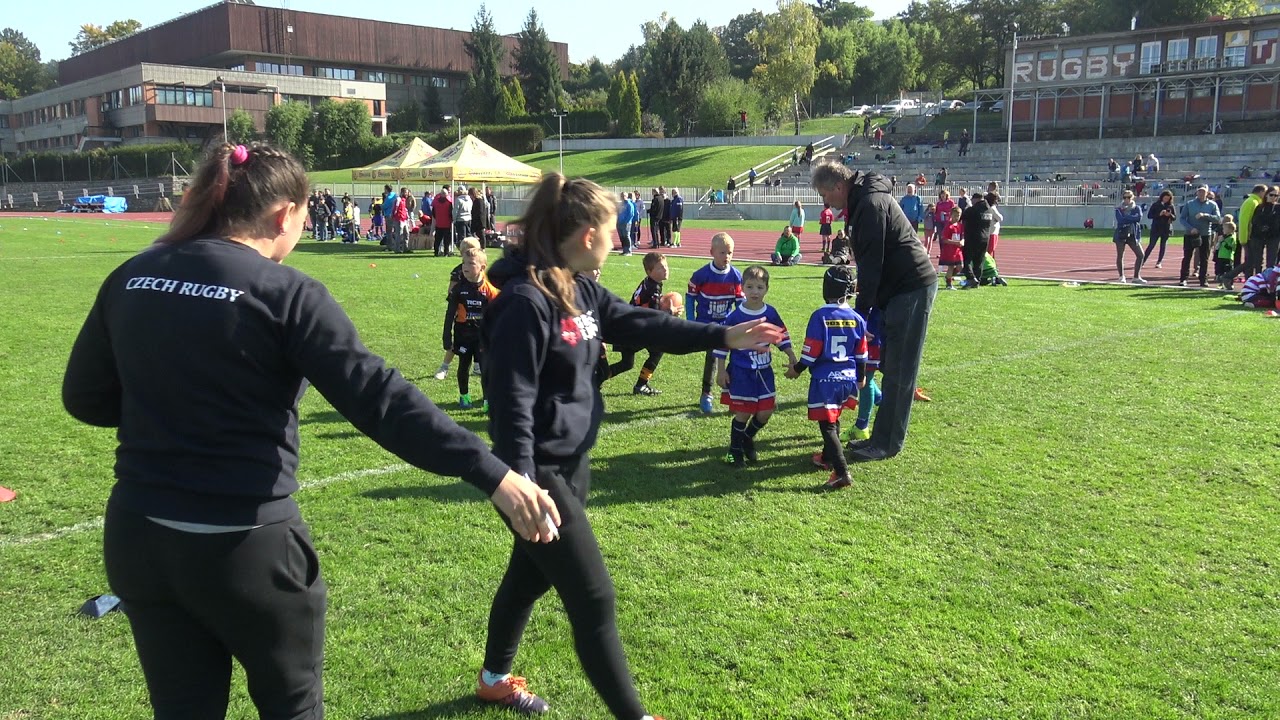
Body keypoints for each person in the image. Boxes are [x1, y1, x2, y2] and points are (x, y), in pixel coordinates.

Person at [61, 142, 559, 720]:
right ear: (283, 215)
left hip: (140, 537)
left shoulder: (134, 275)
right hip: (244, 547)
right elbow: (381, 401)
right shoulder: (286, 293)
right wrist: (492, 472)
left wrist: (172, 411)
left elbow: (84, 398)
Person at [476, 173, 784, 719]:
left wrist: (723, 335)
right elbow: (510, 405)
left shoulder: (580, 288)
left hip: (573, 466)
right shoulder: (526, 301)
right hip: (538, 475)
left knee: (527, 578)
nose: (620, 241)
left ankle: (493, 679)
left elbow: (642, 324)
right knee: (593, 599)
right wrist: (519, 483)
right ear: (589, 235)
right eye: (614, 230)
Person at [812, 161, 936, 462]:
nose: (825, 202)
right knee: (891, 367)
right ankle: (881, 438)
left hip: (910, 287)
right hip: (898, 290)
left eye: (825, 195)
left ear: (839, 186)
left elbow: (872, 265)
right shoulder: (862, 201)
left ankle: (886, 443)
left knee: (899, 371)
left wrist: (861, 313)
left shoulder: (869, 204)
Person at [783, 265, 867, 489]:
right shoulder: (857, 318)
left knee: (827, 426)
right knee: (834, 417)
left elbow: (812, 352)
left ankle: (842, 472)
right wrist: (861, 377)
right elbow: (861, 353)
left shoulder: (820, 316)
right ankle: (827, 457)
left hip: (825, 380)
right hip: (848, 379)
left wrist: (796, 370)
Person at [714, 265, 796, 466]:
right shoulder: (735, 316)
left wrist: (792, 357)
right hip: (742, 372)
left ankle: (747, 438)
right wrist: (721, 370)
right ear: (742, 288)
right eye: (750, 287)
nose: (754, 292)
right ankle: (734, 452)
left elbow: (781, 336)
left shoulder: (771, 312)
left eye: (759, 287)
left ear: (766, 289)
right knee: (743, 413)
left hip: (764, 371)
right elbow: (723, 342)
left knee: (766, 411)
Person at [686, 233, 745, 414]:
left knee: (735, 356)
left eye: (730, 253)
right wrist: (691, 322)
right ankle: (707, 393)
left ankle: (732, 394)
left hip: (726, 324)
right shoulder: (701, 275)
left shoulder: (736, 276)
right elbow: (690, 298)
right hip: (706, 325)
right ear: (712, 252)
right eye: (722, 252)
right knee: (712, 357)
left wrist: (740, 322)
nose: (726, 256)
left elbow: (739, 303)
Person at [606, 251, 673, 396]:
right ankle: (640, 386)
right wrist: (670, 312)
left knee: (626, 364)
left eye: (666, 266)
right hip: (632, 330)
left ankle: (596, 379)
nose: (666, 269)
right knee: (657, 350)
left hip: (629, 326)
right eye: (660, 268)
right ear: (649, 271)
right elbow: (655, 315)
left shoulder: (649, 283)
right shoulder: (653, 287)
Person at [448, 247, 499, 410]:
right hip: (463, 335)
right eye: (464, 262)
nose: (465, 266)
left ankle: (487, 401)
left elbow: (498, 315)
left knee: (485, 368)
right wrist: (446, 337)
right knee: (464, 365)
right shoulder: (458, 289)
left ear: (482, 268)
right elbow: (449, 314)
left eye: (470, 263)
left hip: (483, 337)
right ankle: (464, 397)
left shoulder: (490, 290)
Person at [434, 237, 487, 381]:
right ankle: (444, 367)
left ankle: (477, 366)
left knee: (478, 341)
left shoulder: (480, 270)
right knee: (457, 344)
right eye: (465, 253)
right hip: (462, 313)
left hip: (477, 314)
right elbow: (451, 291)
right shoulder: (458, 271)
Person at [1178, 185, 1221, 287]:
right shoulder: (1189, 204)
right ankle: (1183, 279)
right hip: (1190, 234)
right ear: (1196, 193)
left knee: (1204, 258)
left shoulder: (1212, 205)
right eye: (1199, 191)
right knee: (1187, 257)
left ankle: (1203, 280)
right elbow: (1182, 219)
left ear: (1207, 193)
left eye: (1203, 192)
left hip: (1206, 234)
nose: (1201, 193)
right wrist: (1190, 228)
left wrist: (1205, 215)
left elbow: (1218, 218)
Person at [960, 191, 994, 288]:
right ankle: (977, 280)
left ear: (976, 199)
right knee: (979, 261)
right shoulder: (989, 210)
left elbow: (962, 217)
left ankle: (971, 278)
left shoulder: (973, 209)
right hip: (985, 238)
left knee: (967, 260)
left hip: (972, 238)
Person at [1113, 190, 1147, 283]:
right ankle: (1121, 276)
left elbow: (1139, 218)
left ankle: (1136, 277)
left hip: (1133, 234)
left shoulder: (1137, 208)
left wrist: (1127, 217)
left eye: (1128, 197)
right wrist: (1132, 218)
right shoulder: (1119, 208)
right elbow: (1120, 220)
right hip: (1121, 233)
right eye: (1124, 197)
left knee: (1140, 254)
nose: (1126, 199)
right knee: (1120, 255)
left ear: (1132, 198)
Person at [1143, 189, 1176, 268]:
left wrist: (1170, 215)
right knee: (1151, 245)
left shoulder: (1171, 206)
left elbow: (1174, 218)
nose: (1166, 200)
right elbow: (1149, 215)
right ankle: (1142, 260)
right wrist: (1159, 214)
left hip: (1166, 228)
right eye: (1165, 198)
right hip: (1156, 228)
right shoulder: (1155, 205)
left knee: (1163, 245)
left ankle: (1159, 262)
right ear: (1162, 197)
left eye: (1168, 199)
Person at [939, 206, 965, 289]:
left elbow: (962, 236)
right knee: (950, 266)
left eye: (959, 215)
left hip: (958, 250)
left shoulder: (960, 225)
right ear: (951, 215)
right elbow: (944, 239)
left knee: (960, 267)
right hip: (950, 250)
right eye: (955, 215)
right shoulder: (948, 226)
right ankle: (949, 284)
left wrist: (962, 241)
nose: (957, 217)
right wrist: (955, 243)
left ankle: (948, 277)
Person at [1214, 217, 1239, 287]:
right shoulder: (1223, 237)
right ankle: (1221, 284)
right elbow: (1217, 246)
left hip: (1228, 257)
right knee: (1220, 271)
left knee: (1228, 271)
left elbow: (1231, 247)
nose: (1223, 230)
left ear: (1230, 230)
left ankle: (1230, 284)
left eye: (1224, 229)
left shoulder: (1232, 238)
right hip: (1221, 256)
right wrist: (1218, 243)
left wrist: (1223, 242)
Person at [432, 186, 454, 257]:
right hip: (447, 224)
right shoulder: (449, 203)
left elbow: (433, 213)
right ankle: (446, 253)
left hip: (438, 223)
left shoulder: (436, 202)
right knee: (446, 240)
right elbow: (451, 213)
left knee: (437, 240)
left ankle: (436, 252)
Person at [985, 191, 1003, 257]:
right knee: (990, 250)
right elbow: (999, 218)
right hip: (992, 232)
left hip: (988, 231)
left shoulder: (987, 207)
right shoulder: (992, 208)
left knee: (989, 250)